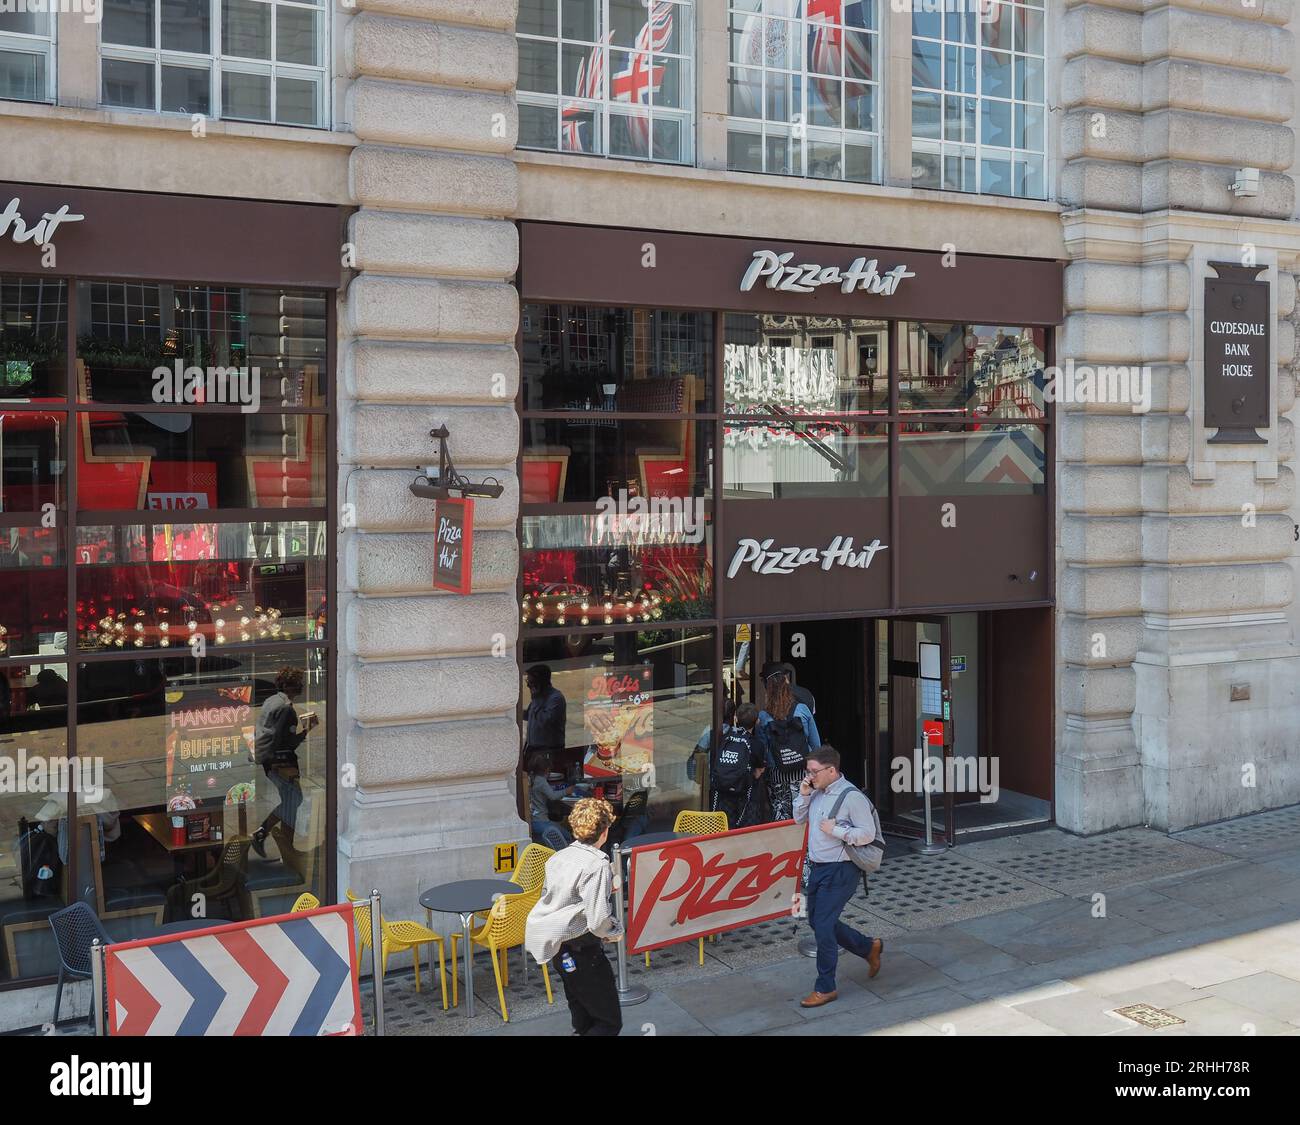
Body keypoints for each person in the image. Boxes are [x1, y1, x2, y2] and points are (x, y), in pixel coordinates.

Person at [524, 797, 624, 1036]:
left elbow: (559, 896)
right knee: (608, 1022)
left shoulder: (558, 857)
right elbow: (598, 921)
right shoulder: (597, 864)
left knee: (582, 1019)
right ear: (604, 831)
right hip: (584, 950)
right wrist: (615, 932)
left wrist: (604, 887)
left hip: (560, 949)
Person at [793, 745, 883, 1008]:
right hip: (819, 867)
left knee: (822, 925)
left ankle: (825, 987)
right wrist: (804, 796)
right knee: (816, 919)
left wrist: (838, 831)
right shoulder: (816, 792)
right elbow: (798, 819)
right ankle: (868, 948)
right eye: (808, 771)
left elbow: (867, 834)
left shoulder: (851, 797)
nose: (809, 776)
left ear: (831, 770)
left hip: (842, 869)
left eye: (813, 771)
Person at [251, 666, 316, 858]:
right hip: (281, 762)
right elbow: (285, 742)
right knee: (295, 800)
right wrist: (306, 731)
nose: (301, 687)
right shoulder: (287, 710)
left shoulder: (272, 700)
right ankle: (264, 833)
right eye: (298, 684)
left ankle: (286, 845)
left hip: (268, 760)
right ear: (288, 686)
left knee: (291, 801)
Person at [759, 670, 821, 821]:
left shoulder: (764, 716)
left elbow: (763, 749)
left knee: (781, 816)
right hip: (802, 773)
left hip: (777, 774)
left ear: (768, 691)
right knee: (805, 815)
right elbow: (816, 744)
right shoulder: (802, 709)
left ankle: (786, 845)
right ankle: (805, 845)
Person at [709, 702, 765, 828]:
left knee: (725, 830)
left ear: (736, 718)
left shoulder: (725, 738)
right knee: (746, 833)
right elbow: (758, 771)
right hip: (746, 796)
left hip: (724, 794)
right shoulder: (757, 744)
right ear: (757, 722)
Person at [525, 751, 574, 842]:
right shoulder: (541, 781)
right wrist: (566, 791)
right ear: (546, 770)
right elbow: (553, 796)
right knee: (567, 836)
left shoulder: (532, 778)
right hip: (541, 821)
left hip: (535, 820)